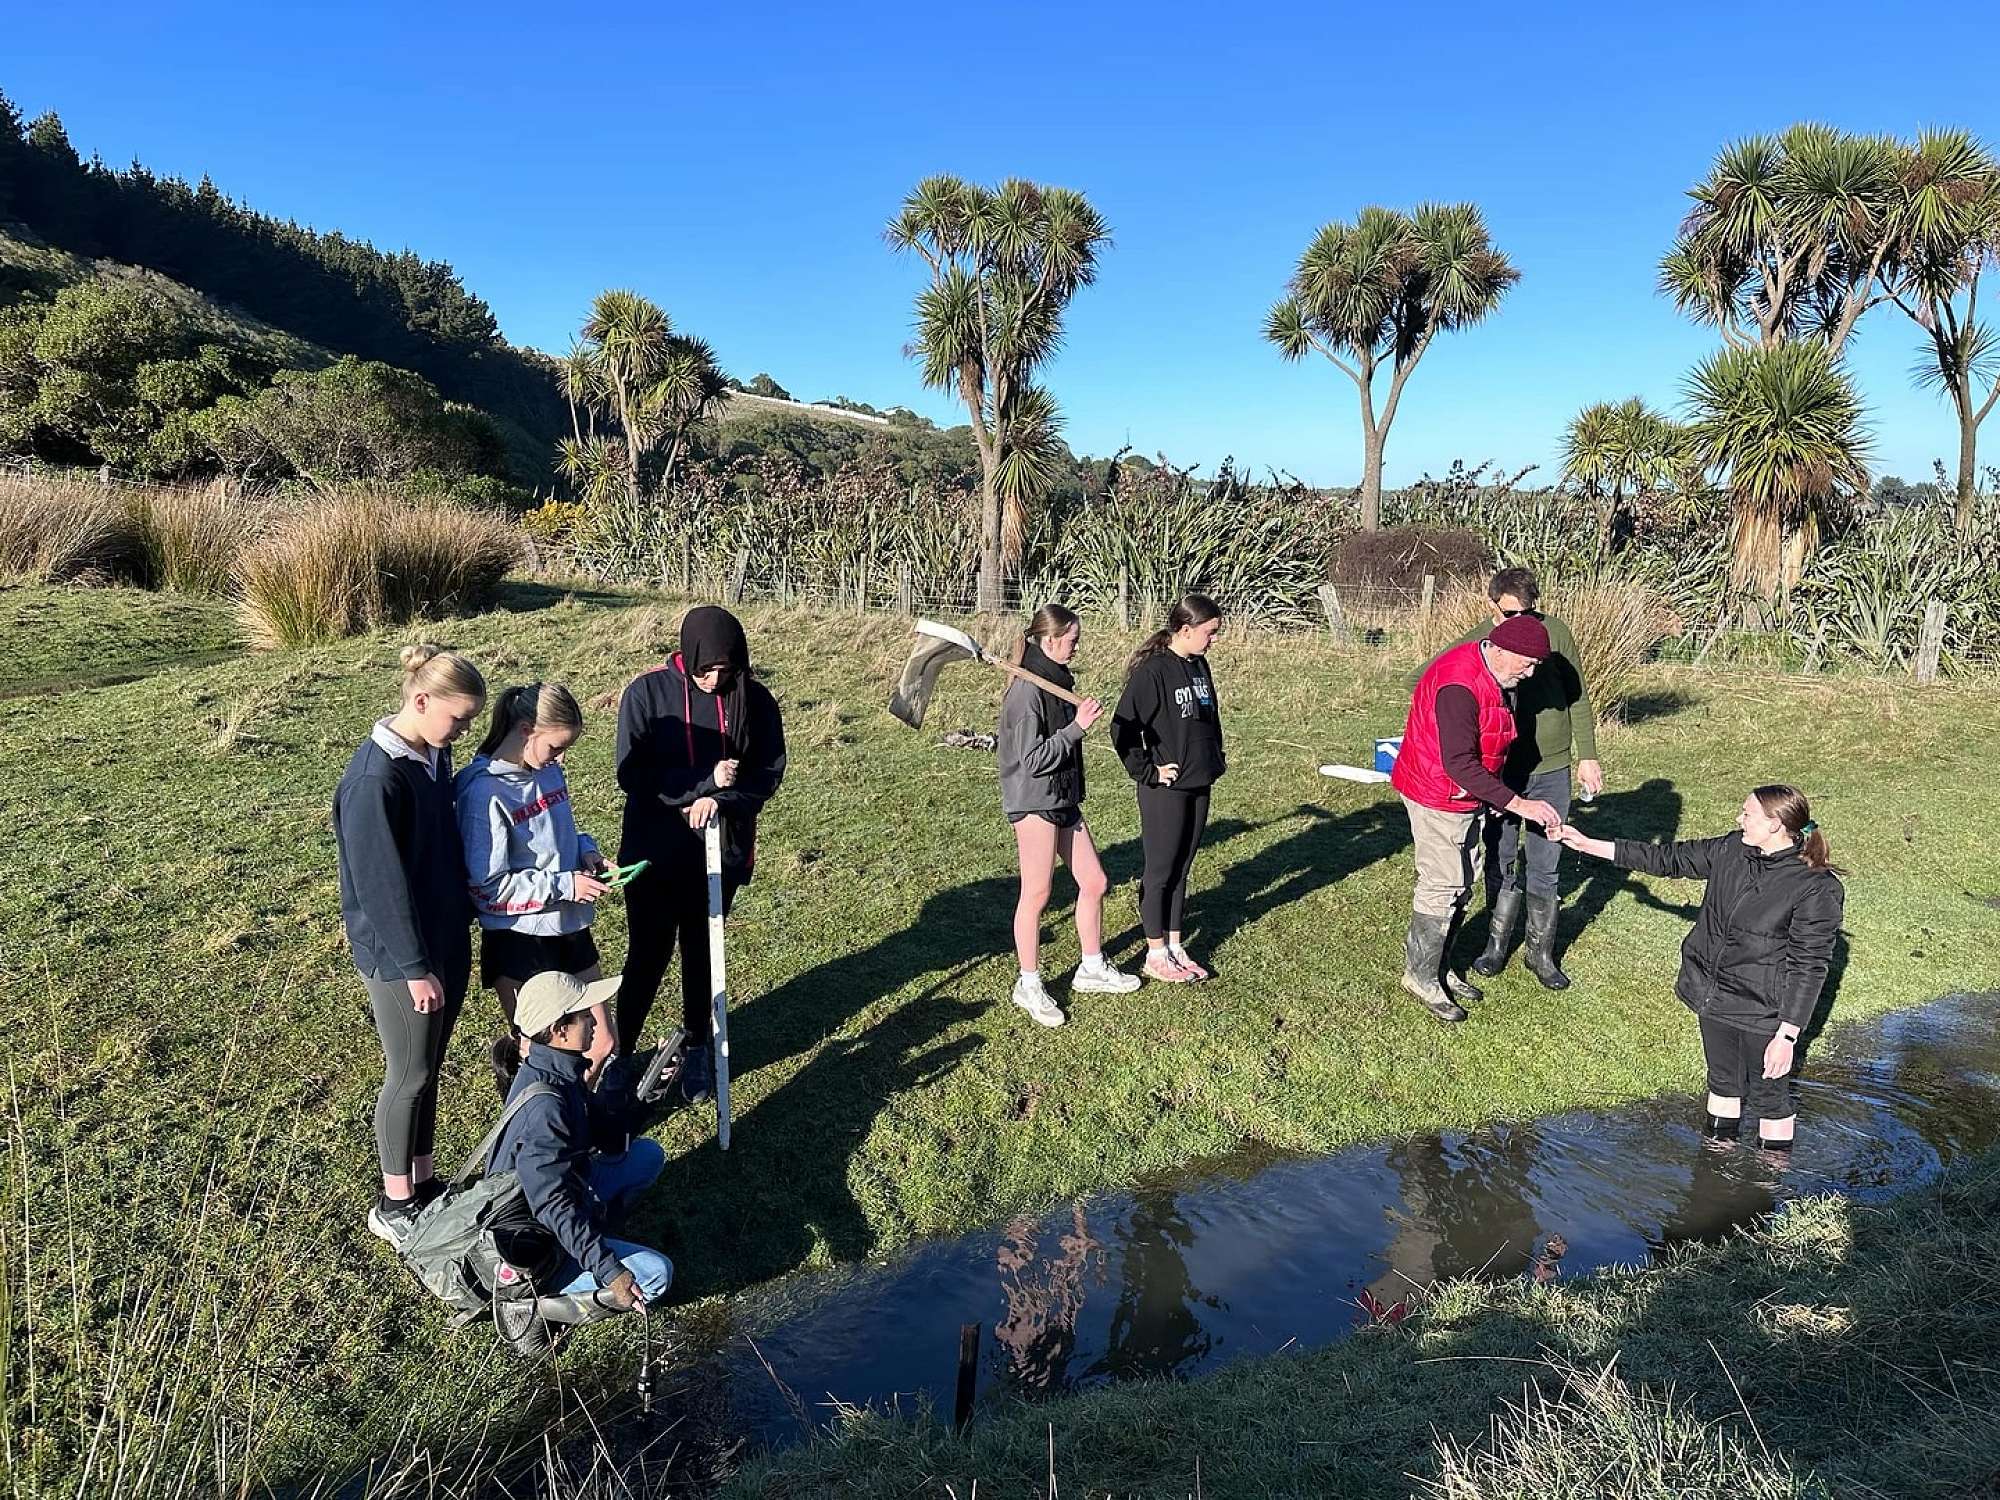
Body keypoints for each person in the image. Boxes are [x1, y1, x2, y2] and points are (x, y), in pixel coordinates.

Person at [1556, 785, 1843, 1154]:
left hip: (1764, 1010)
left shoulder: (1815, 888)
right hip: (1715, 994)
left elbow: (1809, 965)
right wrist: (1587, 844)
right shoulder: (1731, 850)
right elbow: (1666, 859)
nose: (1739, 819)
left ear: (1775, 824)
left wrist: (1787, 1036)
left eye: (1747, 814)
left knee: (1769, 1099)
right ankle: (1716, 1172)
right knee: (1722, 1082)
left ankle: (1769, 1186)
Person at [334, 643, 485, 1247]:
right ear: (420, 701)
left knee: (432, 1068)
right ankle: (394, 1205)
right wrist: (417, 968)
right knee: (410, 1072)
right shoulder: (375, 780)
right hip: (403, 957)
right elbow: (380, 887)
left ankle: (422, 1183)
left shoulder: (432, 754)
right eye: (458, 719)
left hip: (444, 937)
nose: (464, 731)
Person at [614, 605, 786, 1101]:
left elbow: (766, 771)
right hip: (653, 848)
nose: (715, 679)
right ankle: (622, 1052)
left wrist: (721, 799)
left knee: (702, 950)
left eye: (725, 670)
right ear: (686, 655)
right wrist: (697, 787)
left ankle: (696, 1046)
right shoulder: (646, 694)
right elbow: (633, 776)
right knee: (647, 950)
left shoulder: (753, 699)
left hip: (718, 850)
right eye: (706, 669)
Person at [1429, 567, 1604, 990]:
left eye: (1529, 611)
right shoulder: (1479, 640)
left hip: (1552, 768)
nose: (1521, 620)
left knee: (1546, 860)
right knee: (1500, 856)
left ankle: (1541, 954)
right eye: (1510, 613)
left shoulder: (1556, 635)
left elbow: (1577, 699)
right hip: (1503, 772)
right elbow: (1431, 676)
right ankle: (1495, 944)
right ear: (1493, 608)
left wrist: (1587, 756)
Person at [1389, 616, 1562, 1023]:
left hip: (1465, 795)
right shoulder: (1459, 685)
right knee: (1443, 882)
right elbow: (1460, 764)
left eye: (1536, 665)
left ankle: (1440, 967)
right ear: (1500, 650)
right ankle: (1421, 976)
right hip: (1438, 794)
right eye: (1527, 663)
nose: (1531, 672)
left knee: (1464, 879)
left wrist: (1494, 794)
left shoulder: (1497, 676)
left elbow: (1487, 743)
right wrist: (1518, 803)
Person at [488, 969, 671, 1345]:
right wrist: (610, 1271)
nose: (594, 1021)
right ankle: (532, 1304)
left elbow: (604, 1134)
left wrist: (650, 1094)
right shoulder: (545, 1108)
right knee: (656, 1275)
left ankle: (594, 1237)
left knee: (647, 1156)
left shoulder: (557, 1068)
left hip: (572, 1191)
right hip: (537, 1237)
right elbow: (550, 1205)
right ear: (559, 1029)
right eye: (585, 1014)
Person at [456, 683, 617, 1095]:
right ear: (527, 730)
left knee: (603, 1042)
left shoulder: (547, 770)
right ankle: (541, 1138)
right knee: (544, 1060)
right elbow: (486, 888)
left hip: (568, 926)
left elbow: (561, 833)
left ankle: (582, 1125)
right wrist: (564, 885)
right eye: (555, 748)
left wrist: (586, 853)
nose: (560, 760)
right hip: (521, 941)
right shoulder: (483, 792)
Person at [999, 604, 1140, 1027]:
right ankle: (1028, 984)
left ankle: (1091, 966)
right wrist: (1077, 727)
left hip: (1062, 798)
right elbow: (1033, 759)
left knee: (1095, 881)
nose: (1076, 648)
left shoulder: (1054, 681)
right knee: (1038, 894)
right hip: (1034, 800)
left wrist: (1075, 722)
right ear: (1048, 641)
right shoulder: (1027, 692)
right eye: (1072, 640)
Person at [1112, 594, 1226, 983]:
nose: (1213, 640)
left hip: (1200, 780)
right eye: (1209, 633)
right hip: (1167, 789)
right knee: (1160, 870)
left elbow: (1208, 719)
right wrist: (1148, 771)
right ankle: (1154, 951)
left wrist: (1216, 756)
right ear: (1185, 629)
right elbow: (1122, 728)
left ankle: (1176, 945)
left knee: (1183, 868)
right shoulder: (1154, 671)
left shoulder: (1199, 665)